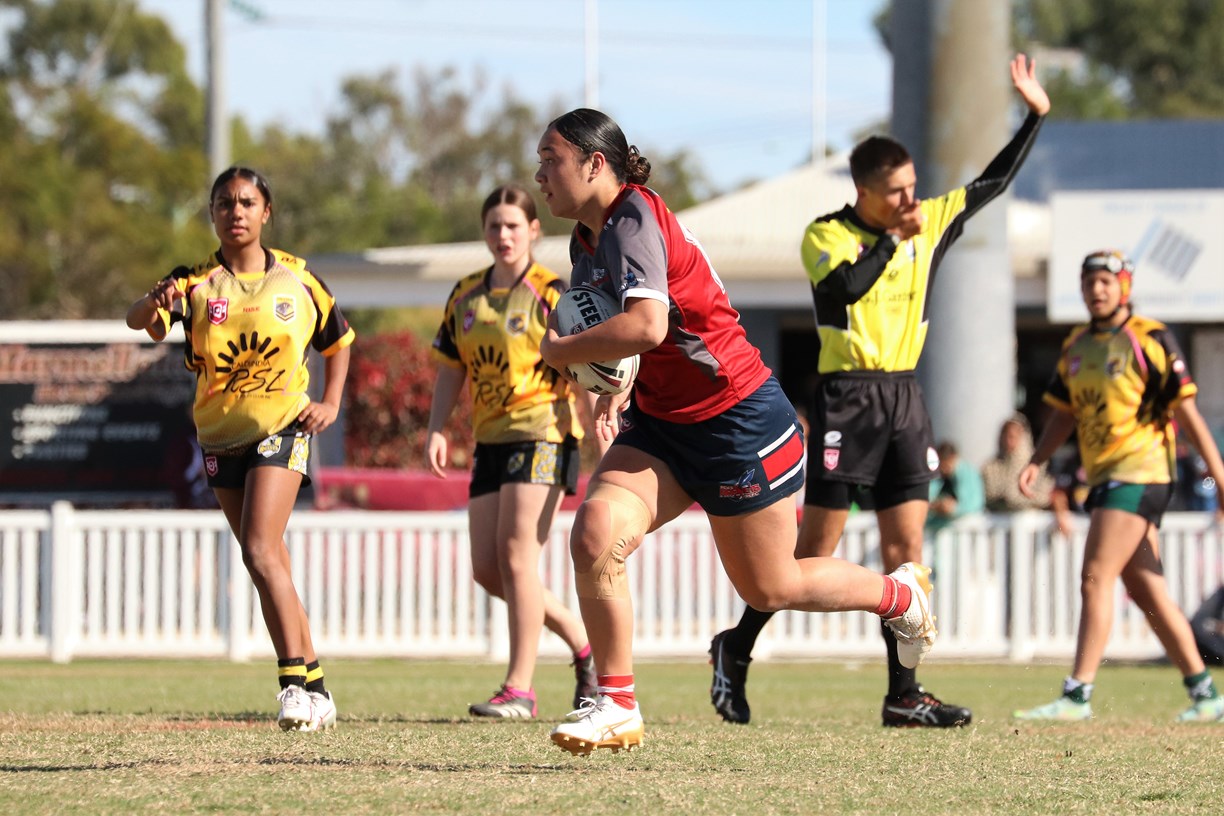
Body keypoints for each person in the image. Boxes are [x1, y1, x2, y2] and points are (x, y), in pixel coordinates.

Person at [534, 108, 938, 755]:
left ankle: (898, 594)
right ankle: (616, 704)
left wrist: (559, 352)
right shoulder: (588, 241)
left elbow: (646, 326)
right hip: (663, 426)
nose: (539, 174)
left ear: (594, 163)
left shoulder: (634, 216)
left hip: (739, 419)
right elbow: (617, 352)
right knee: (595, 533)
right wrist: (605, 389)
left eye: (550, 159)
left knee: (771, 586)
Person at [709, 54, 1050, 729]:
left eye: (912, 189)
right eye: (895, 192)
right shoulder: (826, 235)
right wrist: (891, 241)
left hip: (905, 400)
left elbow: (993, 181)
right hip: (847, 399)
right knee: (811, 557)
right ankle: (736, 647)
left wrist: (1033, 114)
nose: (909, 202)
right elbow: (843, 292)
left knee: (906, 555)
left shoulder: (924, 225)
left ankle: (904, 692)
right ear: (865, 191)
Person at [126, 166, 353, 732]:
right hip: (220, 435)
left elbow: (340, 340)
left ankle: (293, 686)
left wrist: (330, 402)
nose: (236, 211)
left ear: (266, 211)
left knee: (258, 549)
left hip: (282, 427)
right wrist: (151, 304)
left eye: (247, 202)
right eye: (224, 203)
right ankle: (320, 687)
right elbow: (141, 322)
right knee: (269, 561)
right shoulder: (196, 282)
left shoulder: (298, 278)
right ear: (212, 214)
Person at [1013, 249, 1224, 723]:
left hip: (1142, 472)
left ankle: (1076, 696)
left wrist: (1221, 473)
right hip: (1107, 478)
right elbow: (1064, 413)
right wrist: (1038, 459)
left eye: (1107, 280)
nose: (1097, 289)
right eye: (1089, 282)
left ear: (1124, 286)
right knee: (1147, 590)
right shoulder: (1076, 345)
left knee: (1094, 577)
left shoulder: (1149, 338)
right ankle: (1206, 694)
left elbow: (1187, 414)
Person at [427, 184, 598, 719]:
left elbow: (588, 364)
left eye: (513, 225)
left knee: (519, 556)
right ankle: (581, 642)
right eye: (494, 225)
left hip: (545, 430)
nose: (503, 234)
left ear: (533, 232)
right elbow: (451, 367)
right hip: (491, 439)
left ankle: (519, 689)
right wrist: (437, 428)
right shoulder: (466, 295)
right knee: (489, 569)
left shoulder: (553, 293)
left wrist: (599, 427)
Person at [981, 413, 1054, 513]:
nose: (1008, 441)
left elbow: (1046, 495)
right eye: (1005, 436)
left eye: (1012, 437)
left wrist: (1019, 500)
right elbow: (985, 495)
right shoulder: (990, 467)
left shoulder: (1036, 465)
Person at [926, 441, 985, 535]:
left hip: (965, 531)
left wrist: (954, 509)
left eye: (947, 465)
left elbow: (974, 504)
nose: (944, 469)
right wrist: (935, 506)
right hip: (937, 530)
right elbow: (928, 498)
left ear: (954, 458)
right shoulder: (936, 475)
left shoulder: (968, 474)